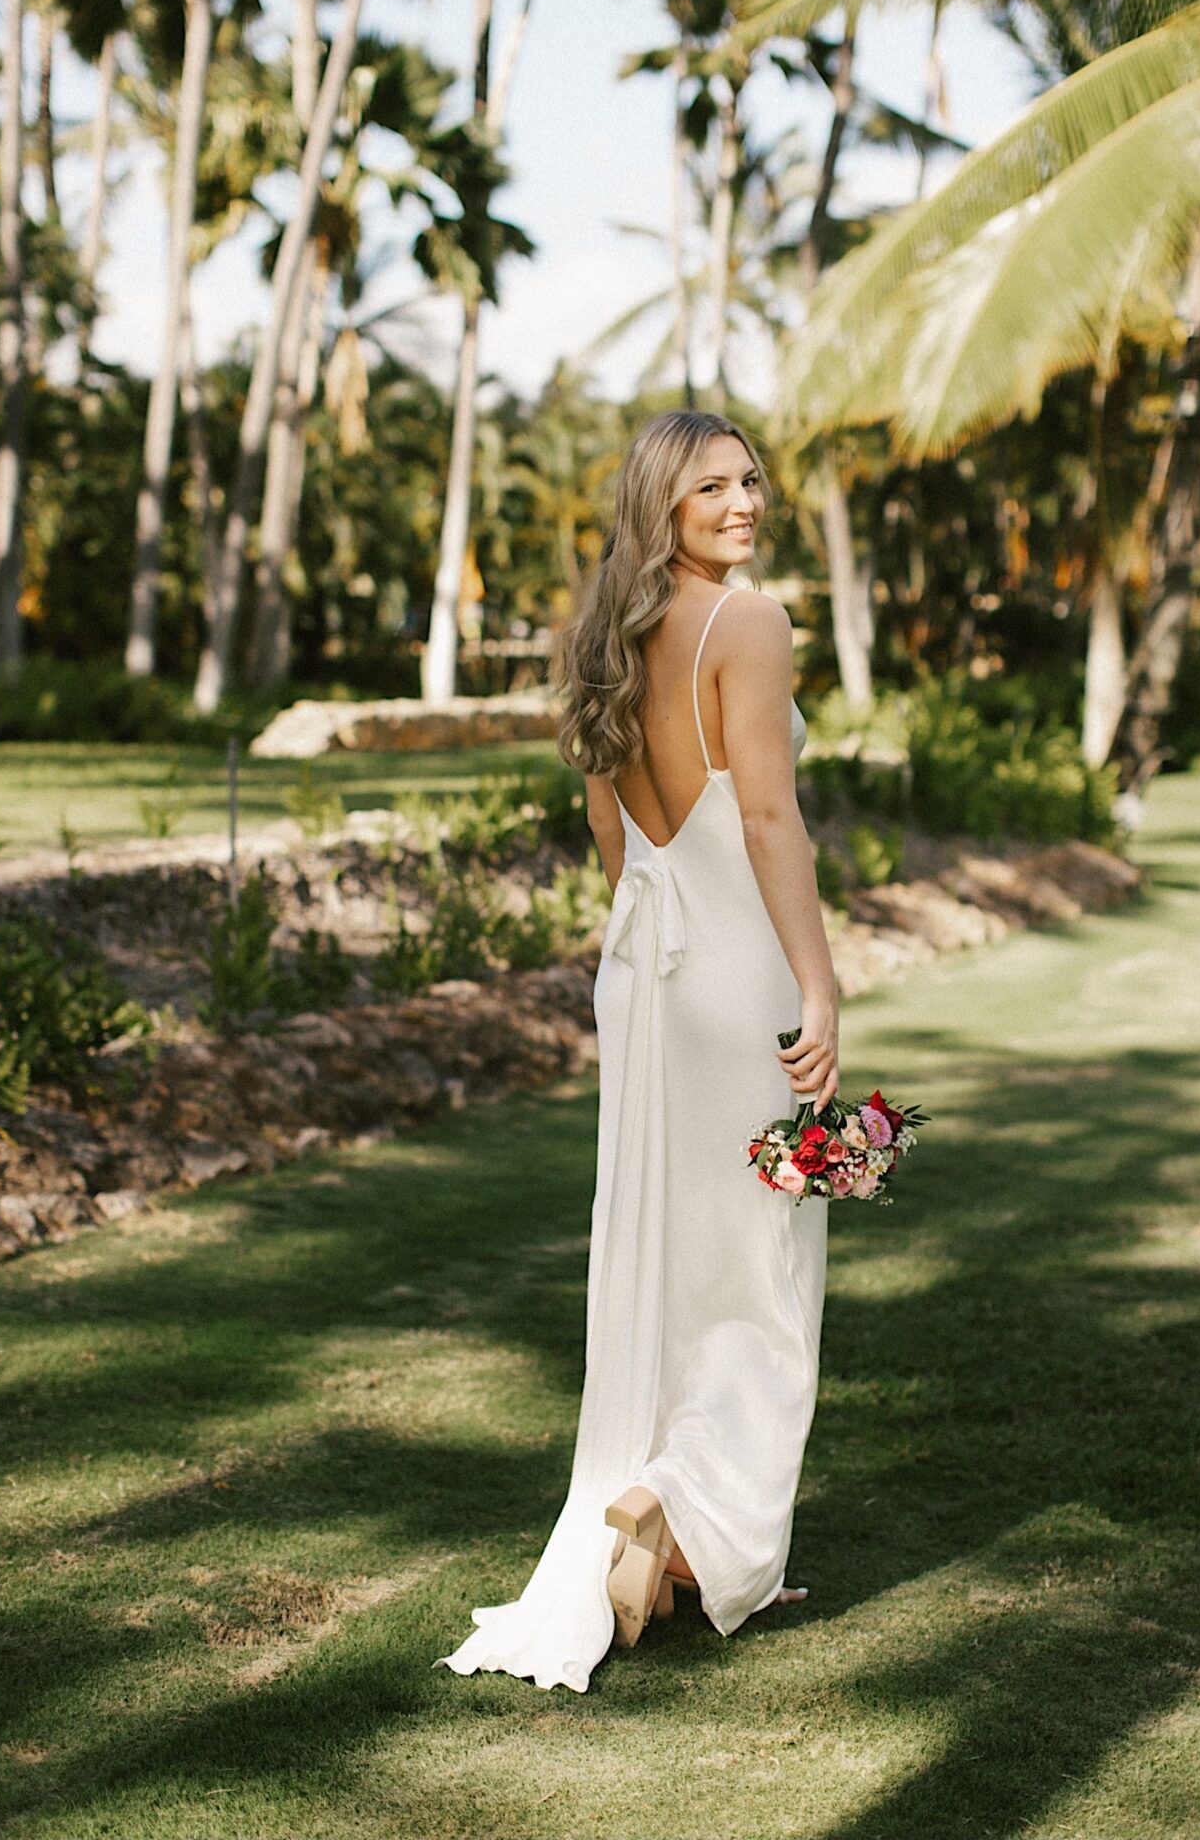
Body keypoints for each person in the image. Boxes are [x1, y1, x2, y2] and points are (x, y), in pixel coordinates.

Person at [438, 410, 839, 1693]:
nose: (745, 502)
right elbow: (769, 815)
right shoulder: (751, 624)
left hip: (647, 971)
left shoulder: (605, 625)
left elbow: (615, 839)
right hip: (729, 972)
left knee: (666, 1250)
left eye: (750, 478)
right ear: (664, 501)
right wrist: (819, 986)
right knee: (760, 1263)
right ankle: (681, 1510)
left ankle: (667, 1520)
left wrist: (656, 937)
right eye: (713, 485)